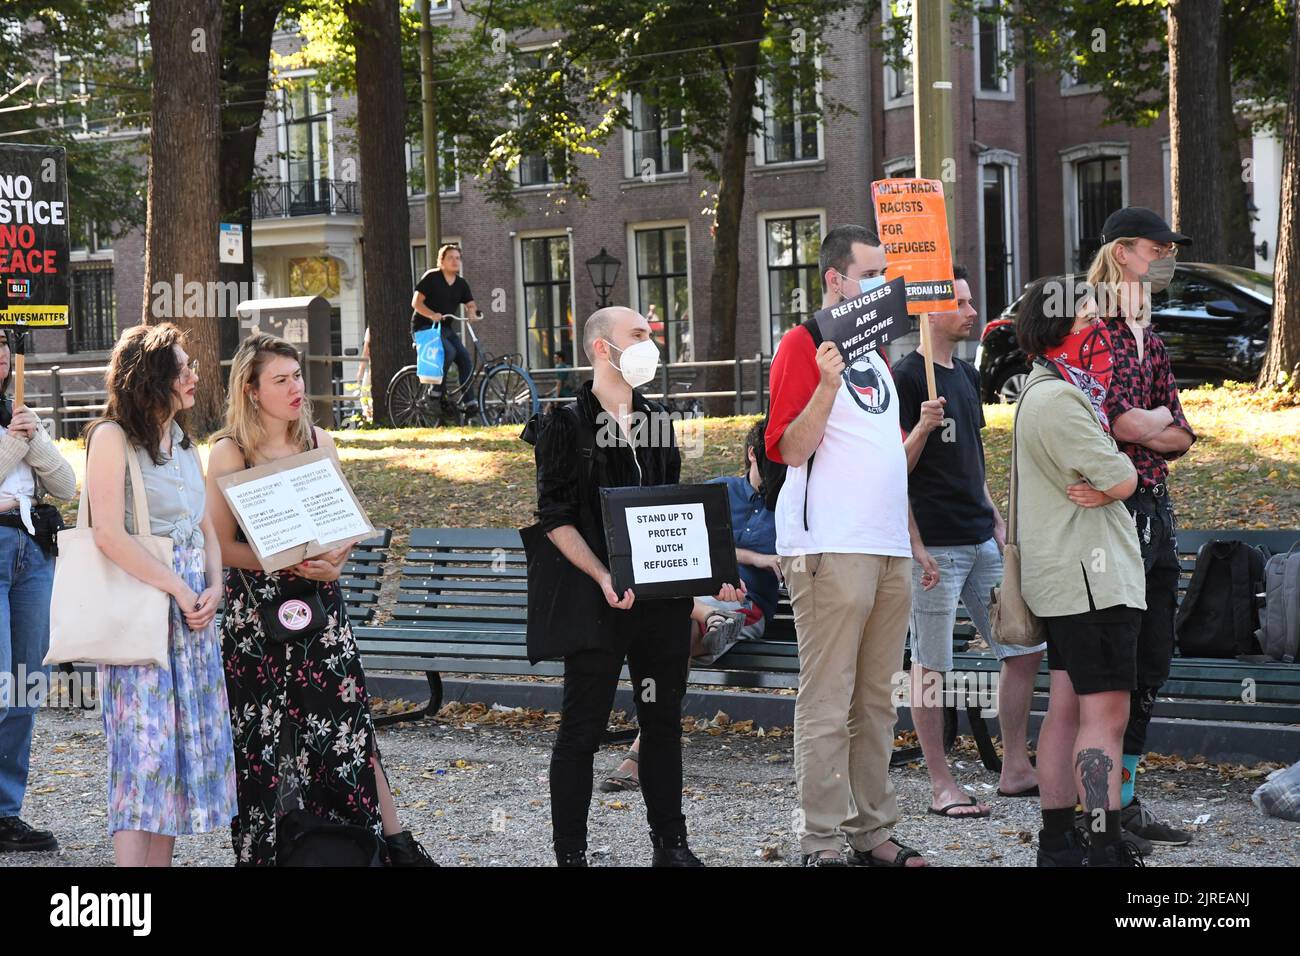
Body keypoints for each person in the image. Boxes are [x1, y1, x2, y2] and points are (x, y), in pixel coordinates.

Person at [207, 332, 434, 867]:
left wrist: (337, 560)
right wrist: (274, 559)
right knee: (263, 741)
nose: (295, 389)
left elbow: (343, 523)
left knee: (344, 729)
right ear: (251, 388)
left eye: (298, 376)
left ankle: (369, 849)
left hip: (322, 612)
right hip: (255, 619)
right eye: (280, 380)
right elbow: (216, 545)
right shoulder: (227, 452)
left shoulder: (318, 441)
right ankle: (272, 855)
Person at [530, 306, 745, 867]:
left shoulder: (658, 420)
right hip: (596, 601)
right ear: (603, 348)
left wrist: (706, 584)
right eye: (639, 336)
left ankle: (671, 845)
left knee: (662, 723)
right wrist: (602, 576)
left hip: (660, 606)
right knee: (582, 728)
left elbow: (672, 516)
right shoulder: (564, 424)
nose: (651, 344)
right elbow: (554, 517)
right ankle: (571, 855)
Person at [765, 224, 939, 867]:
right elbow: (787, 449)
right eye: (871, 274)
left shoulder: (881, 360)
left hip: (886, 546)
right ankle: (821, 839)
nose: (882, 285)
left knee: (874, 701)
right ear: (837, 279)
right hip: (828, 547)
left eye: (885, 274)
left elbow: (883, 461)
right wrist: (826, 384)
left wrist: (912, 541)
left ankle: (873, 832)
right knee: (829, 698)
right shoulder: (802, 344)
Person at [894, 265, 1044, 818]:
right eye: (960, 302)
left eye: (971, 301)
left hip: (980, 541)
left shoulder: (962, 375)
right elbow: (893, 471)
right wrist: (920, 430)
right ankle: (940, 783)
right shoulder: (907, 378)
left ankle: (1015, 768)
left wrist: (996, 521)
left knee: (1024, 649)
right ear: (930, 310)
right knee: (931, 667)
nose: (973, 312)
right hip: (933, 546)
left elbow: (973, 461)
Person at [87, 323, 237, 866]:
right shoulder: (111, 438)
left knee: (174, 756)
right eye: (182, 367)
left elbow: (204, 529)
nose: (194, 375)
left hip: (192, 615)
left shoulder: (183, 443)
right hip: (144, 611)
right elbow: (107, 533)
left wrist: (215, 585)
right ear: (153, 377)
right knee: (141, 756)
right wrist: (178, 586)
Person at [1013, 280, 1147, 867]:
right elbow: (1122, 478)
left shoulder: (1043, 393)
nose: (1099, 327)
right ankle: (1103, 844)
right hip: (1092, 580)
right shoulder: (1064, 400)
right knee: (1106, 717)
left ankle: (1060, 842)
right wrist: (1118, 480)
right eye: (1089, 315)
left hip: (1068, 581)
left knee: (1066, 708)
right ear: (1058, 327)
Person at [1087, 207, 1196, 851]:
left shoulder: (1147, 338)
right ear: (1124, 252)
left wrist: (1149, 420)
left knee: (1152, 659)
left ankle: (1124, 799)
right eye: (1157, 249)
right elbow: (1122, 425)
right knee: (1113, 667)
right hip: (1112, 516)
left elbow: (1180, 433)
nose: (1165, 259)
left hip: (1156, 510)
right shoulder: (1091, 331)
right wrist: (1150, 422)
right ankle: (1094, 813)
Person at [599, 419, 781, 793]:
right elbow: (685, 541)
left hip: (746, 605)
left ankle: (643, 750)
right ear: (752, 455)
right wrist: (757, 558)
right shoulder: (719, 492)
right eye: (774, 462)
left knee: (672, 635)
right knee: (673, 633)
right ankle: (706, 617)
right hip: (695, 597)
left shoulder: (791, 505)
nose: (782, 472)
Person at [0, 332, 76, 854]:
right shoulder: (12, 424)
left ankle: (5, 813)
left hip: (34, 553)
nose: (2, 353)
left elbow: (67, 486)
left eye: (3, 345)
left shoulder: (19, 409)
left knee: (26, 684)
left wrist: (36, 438)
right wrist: (13, 441)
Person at [411, 243, 479, 409]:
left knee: (465, 359)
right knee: (448, 351)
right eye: (450, 258)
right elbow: (416, 303)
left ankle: (469, 402)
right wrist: (431, 315)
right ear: (441, 261)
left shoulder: (461, 284)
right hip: (424, 328)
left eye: (457, 258)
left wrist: (472, 312)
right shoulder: (431, 277)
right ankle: (435, 391)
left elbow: (471, 304)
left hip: (445, 329)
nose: (455, 261)